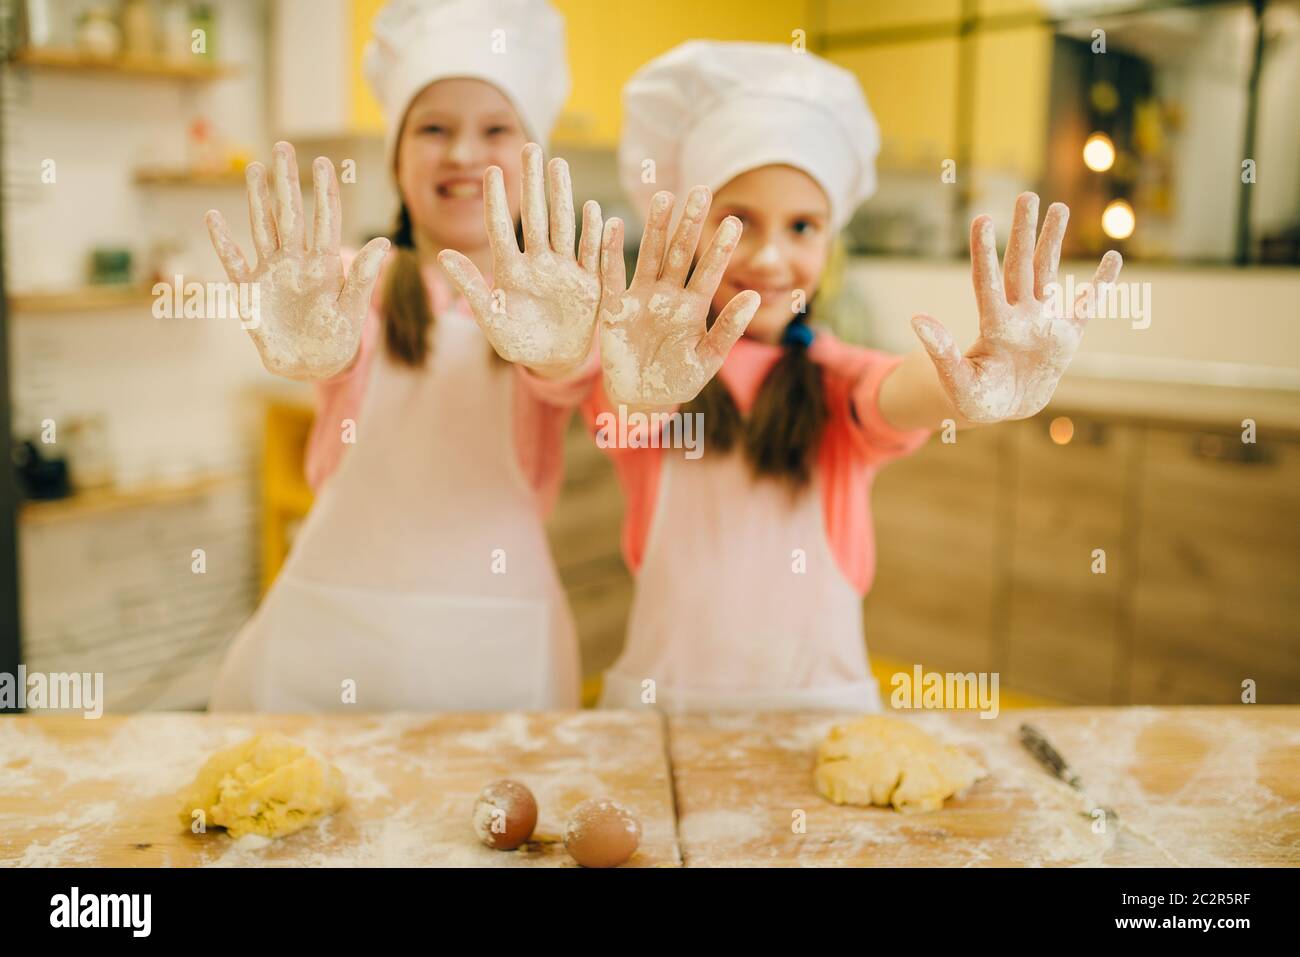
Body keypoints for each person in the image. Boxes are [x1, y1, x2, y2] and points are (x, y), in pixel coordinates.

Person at [569, 41, 1122, 712]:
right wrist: (633, 391)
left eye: (803, 225)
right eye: (738, 222)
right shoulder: (646, 380)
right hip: (663, 711)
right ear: (687, 230)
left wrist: (967, 381)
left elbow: (894, 392)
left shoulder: (835, 376)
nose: (771, 255)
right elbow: (621, 409)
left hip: (819, 713)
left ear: (832, 241)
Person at [204, 0, 596, 711]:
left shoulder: (560, 304)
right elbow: (332, 347)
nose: (463, 153)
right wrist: (311, 346)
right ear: (398, 155)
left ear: (534, 155)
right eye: (434, 128)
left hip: (495, 637)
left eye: (496, 129)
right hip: (334, 633)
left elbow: (573, 374)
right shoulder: (357, 279)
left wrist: (565, 354)